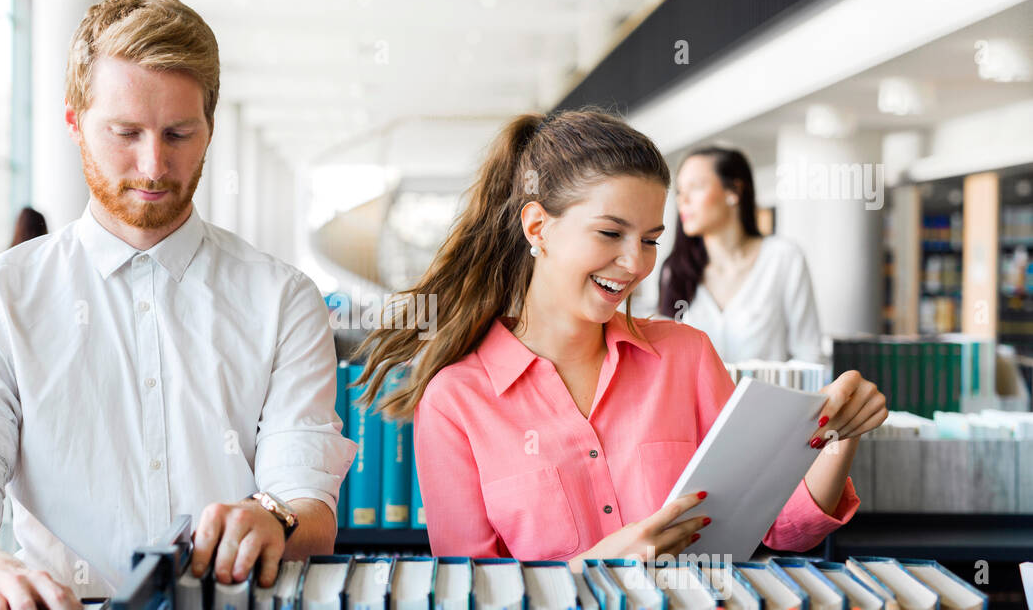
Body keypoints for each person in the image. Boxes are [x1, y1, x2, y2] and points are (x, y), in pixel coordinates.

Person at [0, 0, 356, 610]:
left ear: (209, 127)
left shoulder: (283, 299)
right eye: (125, 133)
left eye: (179, 134)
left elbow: (309, 513)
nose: (154, 165)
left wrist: (272, 519)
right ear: (75, 124)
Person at [353, 109, 886, 564]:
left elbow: (783, 526)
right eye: (610, 233)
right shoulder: (456, 401)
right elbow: (468, 594)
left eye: (650, 239)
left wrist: (840, 436)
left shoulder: (686, 356)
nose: (635, 264)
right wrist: (596, 568)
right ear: (537, 227)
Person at [659, 146, 823, 363]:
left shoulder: (783, 258)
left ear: (733, 192)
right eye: (680, 191)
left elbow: (809, 354)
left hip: (767, 397)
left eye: (696, 187)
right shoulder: (675, 269)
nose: (683, 200)